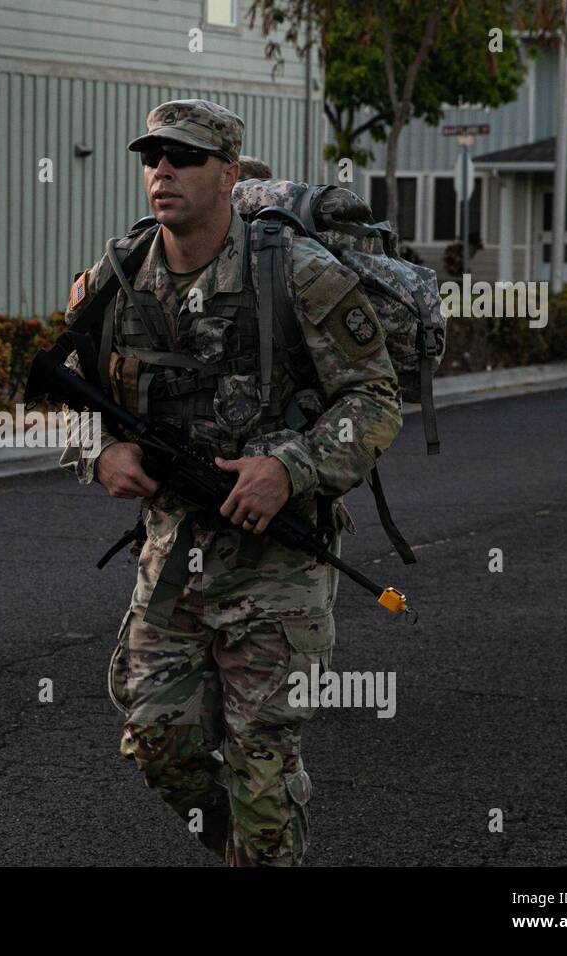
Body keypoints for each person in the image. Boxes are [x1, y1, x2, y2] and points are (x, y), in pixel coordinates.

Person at [59, 99, 402, 866]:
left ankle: (264, 843)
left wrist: (290, 468)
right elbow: (63, 395)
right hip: (173, 555)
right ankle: (252, 846)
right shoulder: (115, 277)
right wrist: (100, 452)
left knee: (263, 762)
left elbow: (374, 400)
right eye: (152, 158)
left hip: (278, 563)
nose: (162, 171)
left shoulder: (298, 273)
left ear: (229, 174)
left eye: (182, 157)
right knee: (157, 740)